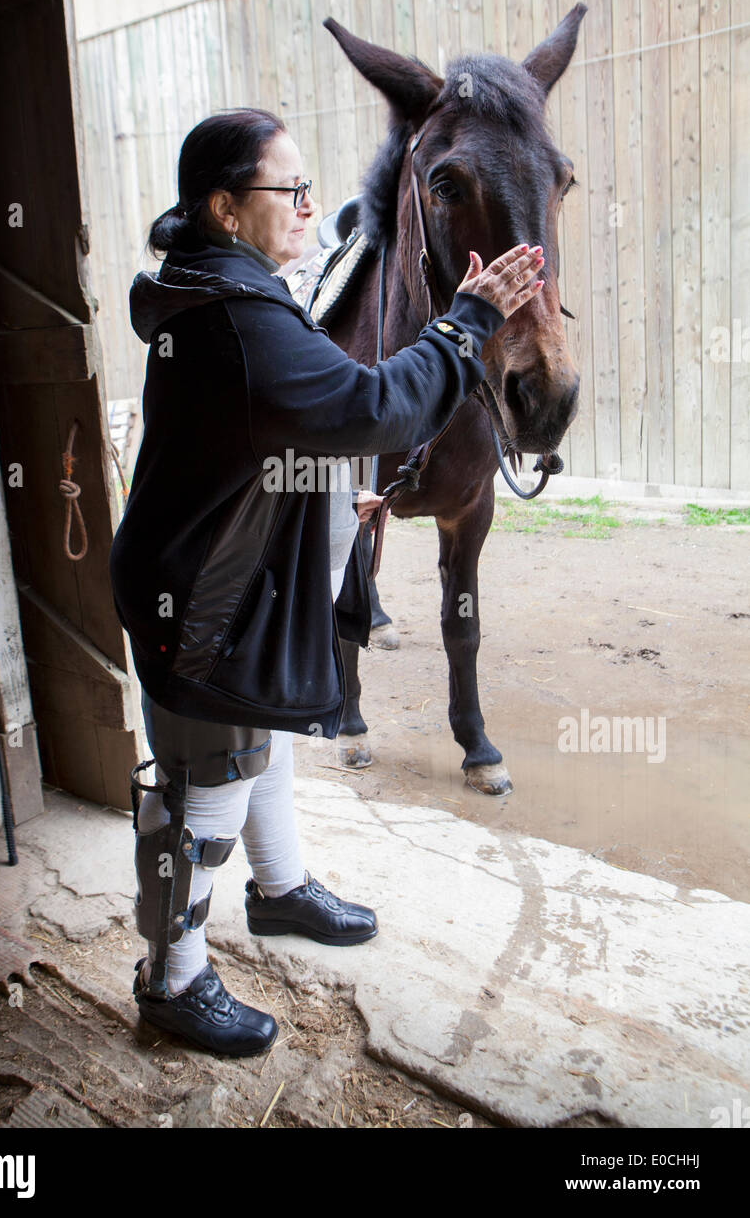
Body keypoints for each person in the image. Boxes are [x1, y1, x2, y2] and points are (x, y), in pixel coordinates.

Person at [108, 107, 545, 1057]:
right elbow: (374, 407)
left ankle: (278, 890)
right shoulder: (235, 320)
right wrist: (469, 320)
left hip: (213, 572)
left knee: (256, 740)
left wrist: (319, 493)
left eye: (311, 187)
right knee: (204, 787)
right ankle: (171, 981)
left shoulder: (225, 291)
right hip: (201, 598)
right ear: (226, 208)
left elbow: (258, 445)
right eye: (288, 190)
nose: (312, 206)